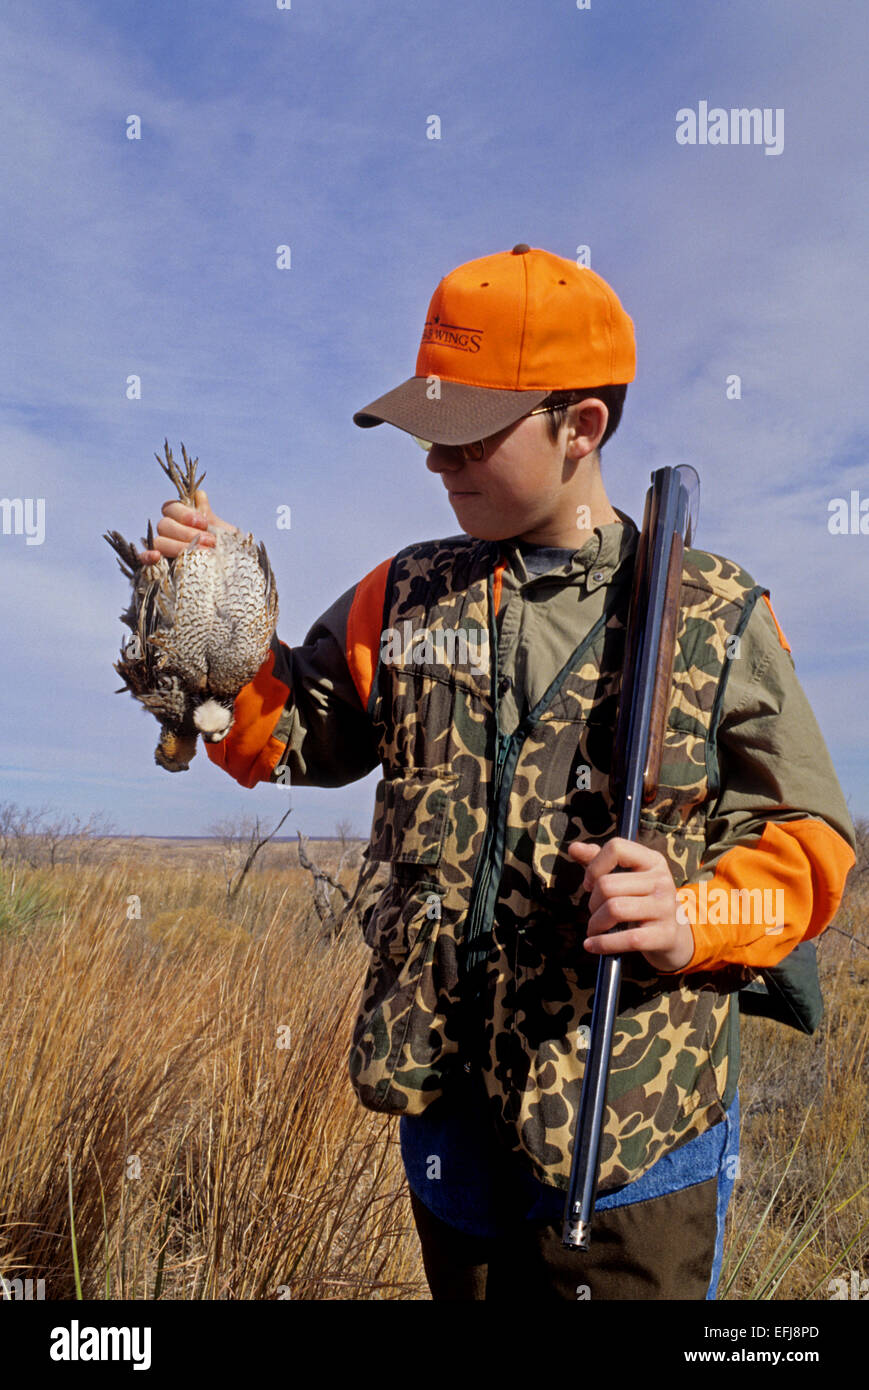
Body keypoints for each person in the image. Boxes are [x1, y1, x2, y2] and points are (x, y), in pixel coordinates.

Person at [138, 244, 856, 1300]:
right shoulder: (404, 594)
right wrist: (212, 617)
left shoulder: (710, 610)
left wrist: (691, 916)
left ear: (580, 428)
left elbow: (809, 841)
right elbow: (285, 733)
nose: (436, 463)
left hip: (632, 1136)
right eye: (426, 435)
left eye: (466, 434)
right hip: (448, 1112)